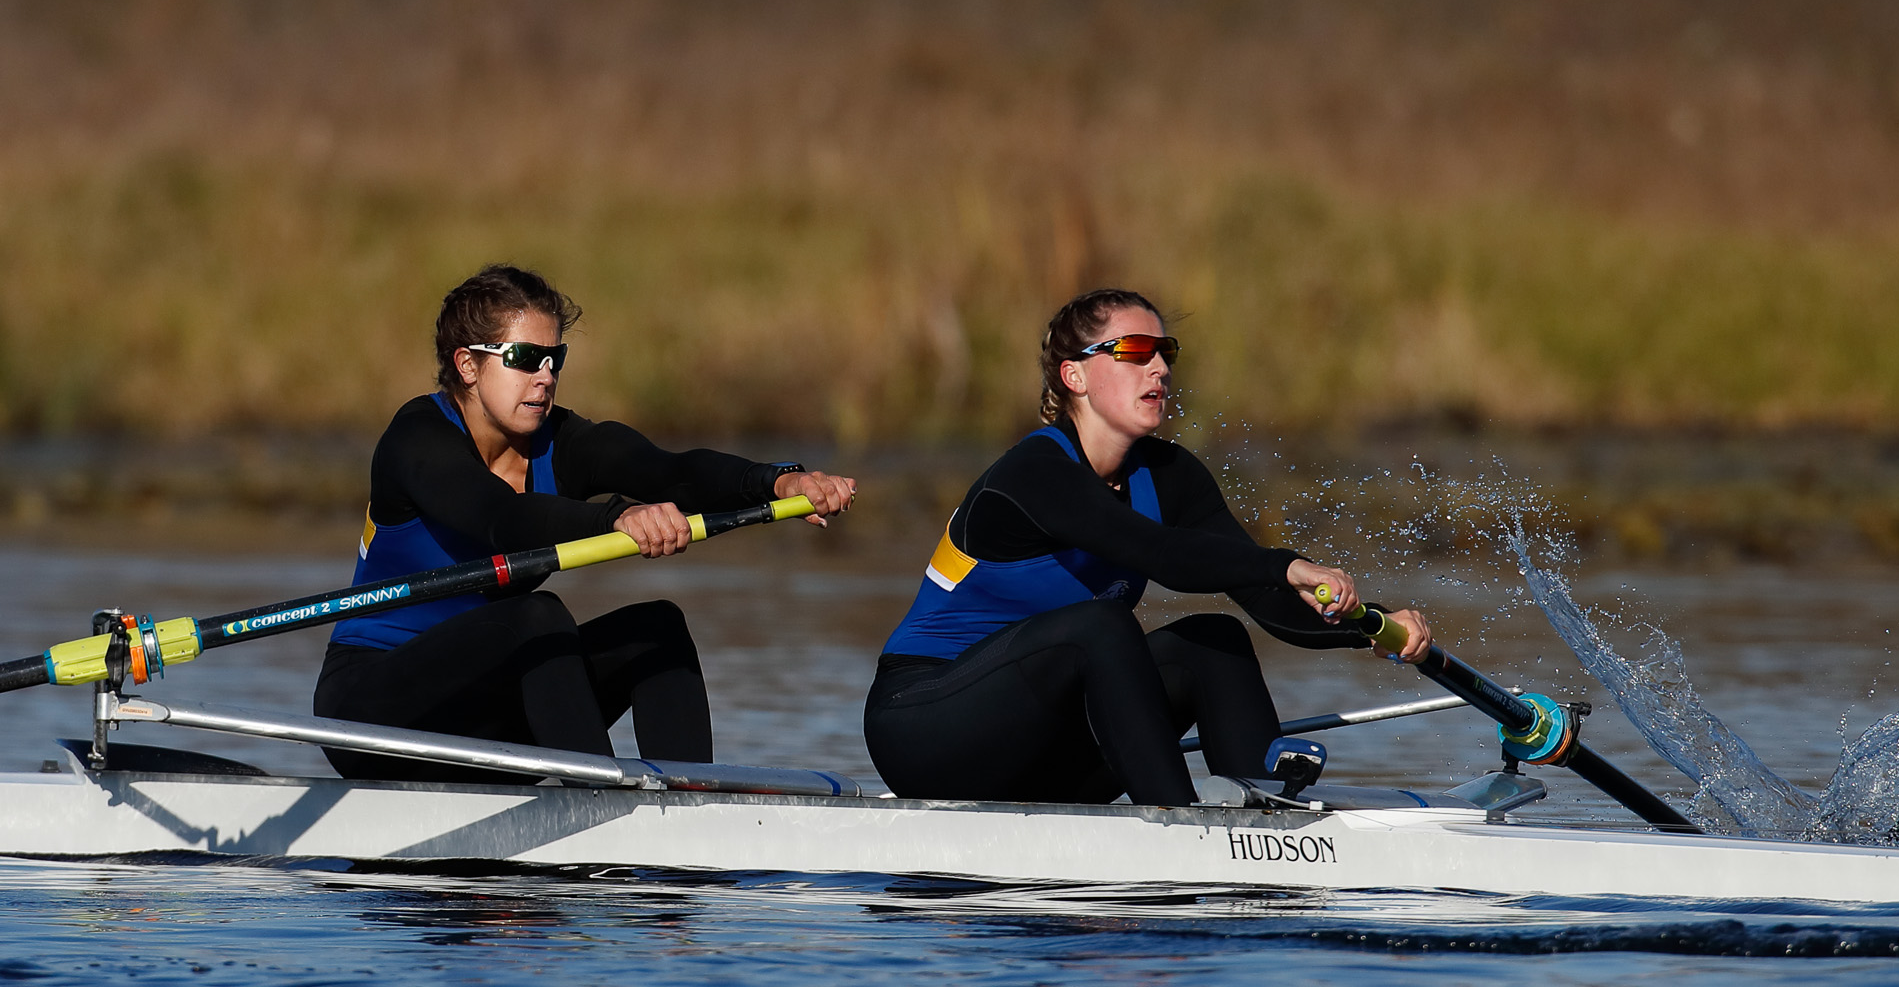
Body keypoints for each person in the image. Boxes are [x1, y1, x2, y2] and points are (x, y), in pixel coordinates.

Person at [864, 288, 1431, 807]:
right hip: (925, 728)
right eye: (1135, 350)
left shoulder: (1171, 476)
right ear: (1075, 376)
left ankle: (1265, 820)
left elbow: (1267, 599)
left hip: (1043, 746)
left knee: (1214, 639)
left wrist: (1372, 622)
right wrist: (1288, 563)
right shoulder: (1032, 473)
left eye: (1166, 352)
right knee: (1100, 625)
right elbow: (1160, 555)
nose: (1159, 367)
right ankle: (1176, 821)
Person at [314, 264, 855, 781]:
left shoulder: (561, 441)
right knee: (536, 617)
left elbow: (670, 471)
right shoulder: (416, 441)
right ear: (468, 366)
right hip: (376, 714)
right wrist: (616, 517)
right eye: (526, 358)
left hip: (485, 710)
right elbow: (501, 519)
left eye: (556, 359)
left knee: (656, 628)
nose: (546, 378)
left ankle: (691, 810)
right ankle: (596, 802)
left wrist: (780, 481)